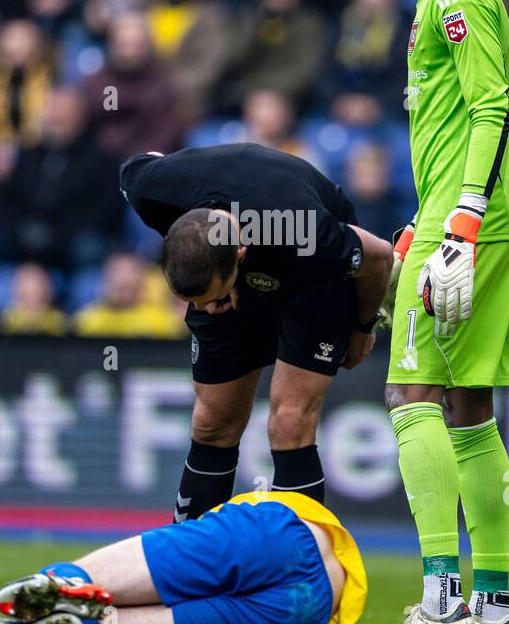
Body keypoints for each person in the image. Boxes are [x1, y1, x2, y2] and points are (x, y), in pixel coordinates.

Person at [376, 0, 509, 624]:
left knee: (411, 396)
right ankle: (493, 604)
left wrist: (462, 216)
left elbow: (492, 104)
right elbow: (454, 126)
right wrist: (425, 216)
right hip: (477, 215)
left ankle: (442, 599)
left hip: (473, 220)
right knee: (470, 409)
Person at [119, 143, 393, 522]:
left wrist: (363, 326)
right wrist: (211, 295)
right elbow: (141, 158)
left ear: (241, 256)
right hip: (224, 251)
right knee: (212, 424)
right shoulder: (151, 189)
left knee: (290, 423)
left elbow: (380, 256)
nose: (202, 310)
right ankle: (194, 566)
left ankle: (294, 568)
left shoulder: (306, 232)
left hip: (313, 278)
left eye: (209, 299)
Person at [0, 489, 366, 624]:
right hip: (303, 617)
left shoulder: (237, 517)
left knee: (91, 577)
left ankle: (63, 584)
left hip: (281, 537)